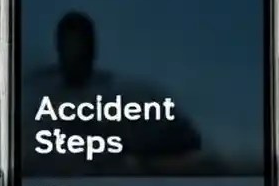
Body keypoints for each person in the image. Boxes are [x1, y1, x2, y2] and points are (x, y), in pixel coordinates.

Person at [21, 12, 211, 176]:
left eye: (81, 47)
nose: (74, 54)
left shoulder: (133, 97)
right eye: (68, 47)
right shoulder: (32, 97)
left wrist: (134, 151)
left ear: (93, 50)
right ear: (58, 49)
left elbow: (188, 140)